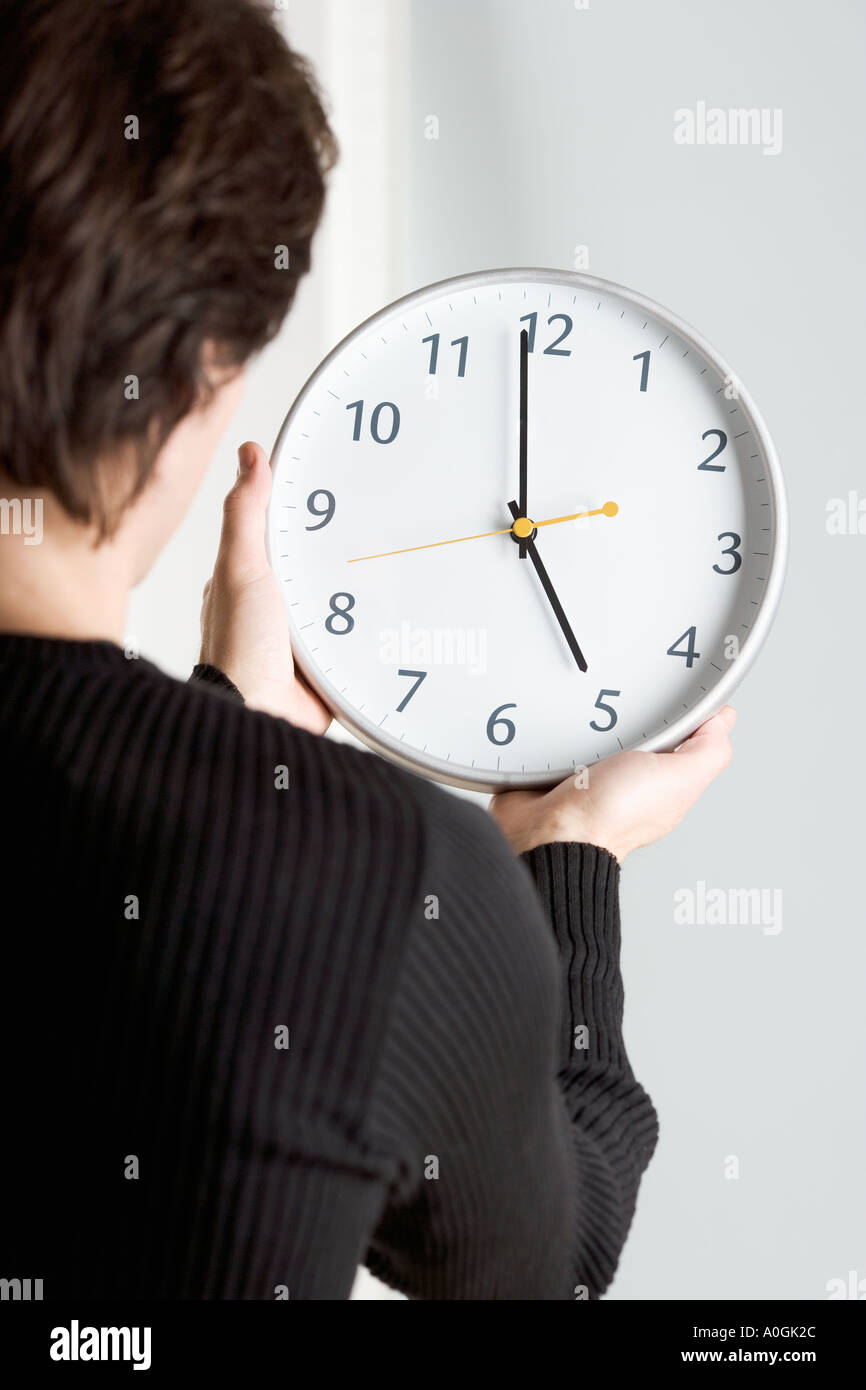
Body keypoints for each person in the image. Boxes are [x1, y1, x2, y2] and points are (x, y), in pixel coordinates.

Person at [0, 0, 735, 1300]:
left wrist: (243, 745)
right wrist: (569, 858)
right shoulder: (372, 879)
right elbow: (546, 1263)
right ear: (200, 383)